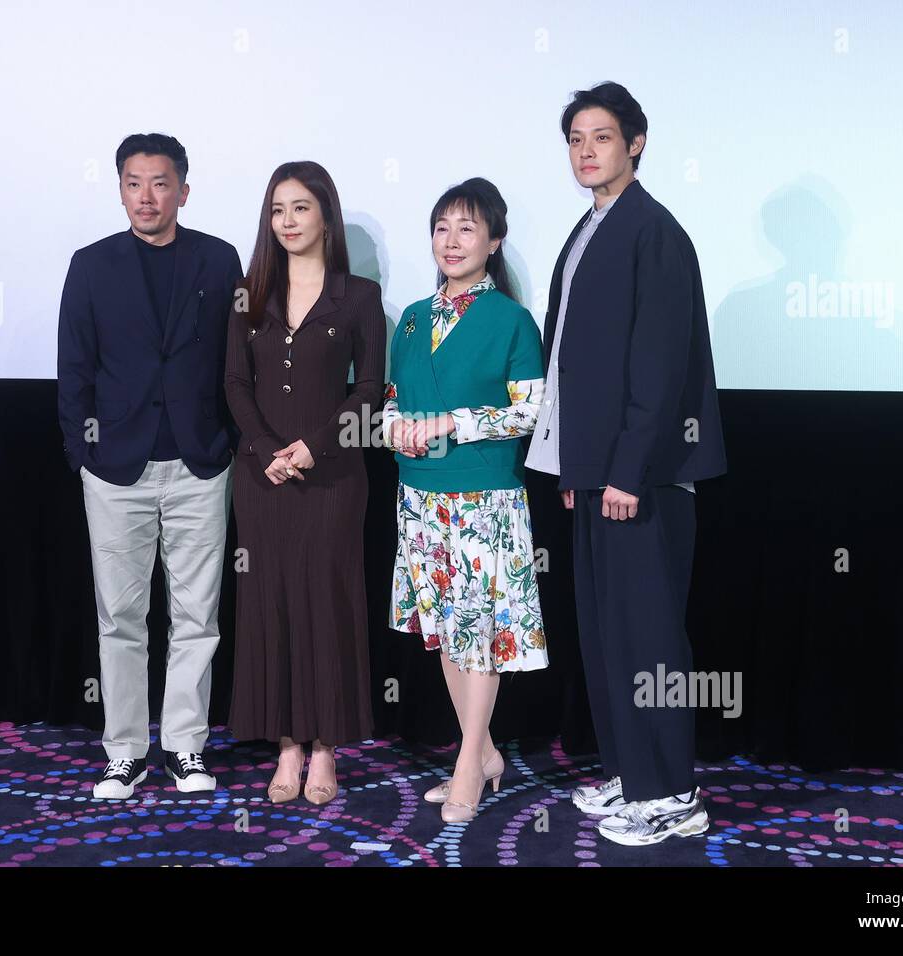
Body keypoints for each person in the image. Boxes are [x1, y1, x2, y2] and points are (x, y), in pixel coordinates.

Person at [525, 82, 727, 845]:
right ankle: (632, 773)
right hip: (597, 473)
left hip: (641, 478)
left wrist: (626, 471)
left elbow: (659, 364)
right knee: (608, 633)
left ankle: (673, 793)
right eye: (575, 139)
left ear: (636, 143)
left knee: (647, 637)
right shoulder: (591, 228)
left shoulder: (654, 231)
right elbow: (571, 360)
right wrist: (575, 468)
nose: (586, 151)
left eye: (601, 137)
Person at [57, 133, 243, 799]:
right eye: (134, 183)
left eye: (160, 183)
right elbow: (74, 369)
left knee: (197, 617)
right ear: (120, 190)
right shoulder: (91, 265)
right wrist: (84, 454)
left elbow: (235, 361)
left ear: (183, 191)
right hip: (116, 468)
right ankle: (125, 751)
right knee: (120, 618)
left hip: (199, 463)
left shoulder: (219, 259)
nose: (146, 196)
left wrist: (228, 440)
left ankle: (185, 747)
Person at [385, 177, 548, 824]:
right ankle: (481, 753)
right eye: (442, 227)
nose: (451, 241)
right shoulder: (412, 318)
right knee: (447, 630)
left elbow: (531, 410)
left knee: (479, 633)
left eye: (467, 228)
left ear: (494, 242)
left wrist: (456, 422)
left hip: (484, 496)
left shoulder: (511, 320)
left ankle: (467, 765)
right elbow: (394, 399)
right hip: (419, 495)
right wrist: (393, 426)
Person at [223, 161, 385, 806]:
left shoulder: (360, 296)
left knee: (327, 603)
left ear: (325, 216)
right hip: (261, 477)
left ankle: (325, 747)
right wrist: (267, 449)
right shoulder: (248, 293)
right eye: (277, 210)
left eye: (300, 208)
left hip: (333, 477)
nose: (287, 221)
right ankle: (287, 745)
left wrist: (315, 448)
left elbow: (369, 389)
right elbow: (235, 383)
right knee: (272, 605)